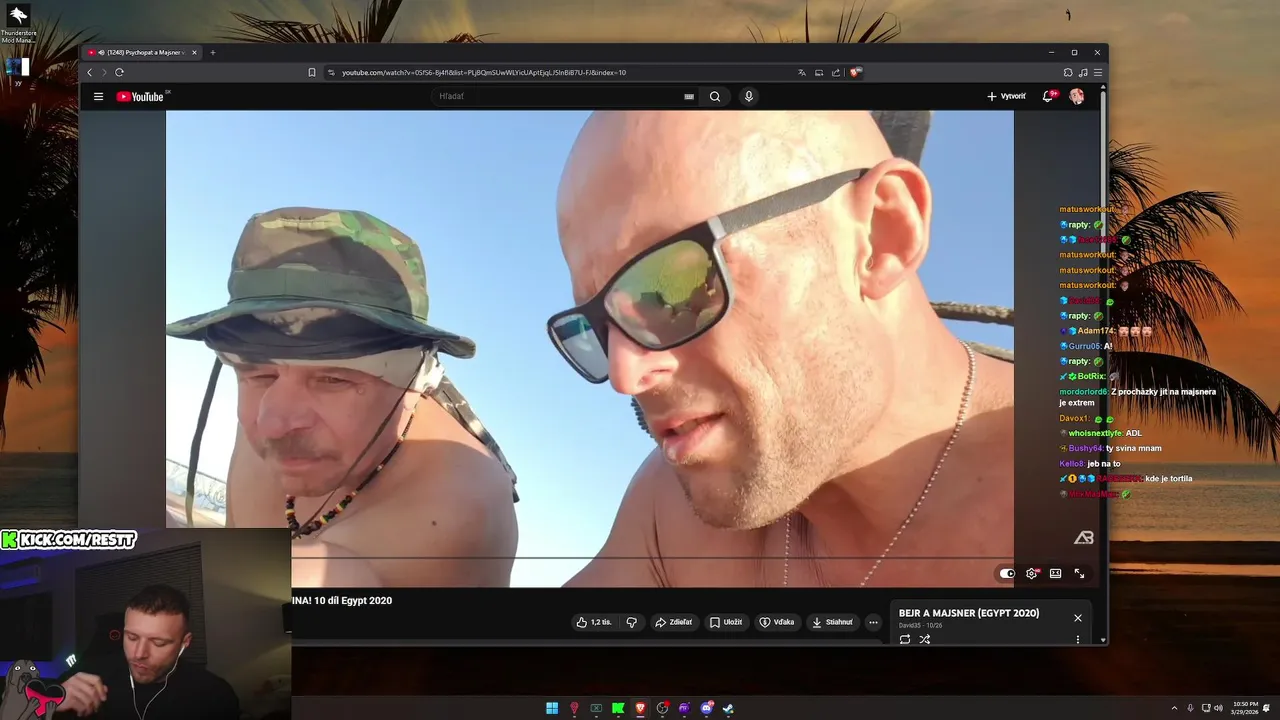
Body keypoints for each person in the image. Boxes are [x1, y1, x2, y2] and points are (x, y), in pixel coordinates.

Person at [547, 111, 1014, 588]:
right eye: (599, 327)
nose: (625, 375)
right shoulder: (667, 517)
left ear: (881, 234)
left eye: (673, 288)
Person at [166, 208, 518, 587]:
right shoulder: (282, 411)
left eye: (332, 379)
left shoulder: (454, 512)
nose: (274, 423)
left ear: (413, 381)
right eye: (256, 373)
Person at [55, 585, 239, 719]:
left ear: (185, 643)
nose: (139, 654)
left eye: (158, 643)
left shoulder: (215, 695)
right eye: (132, 637)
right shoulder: (91, 670)